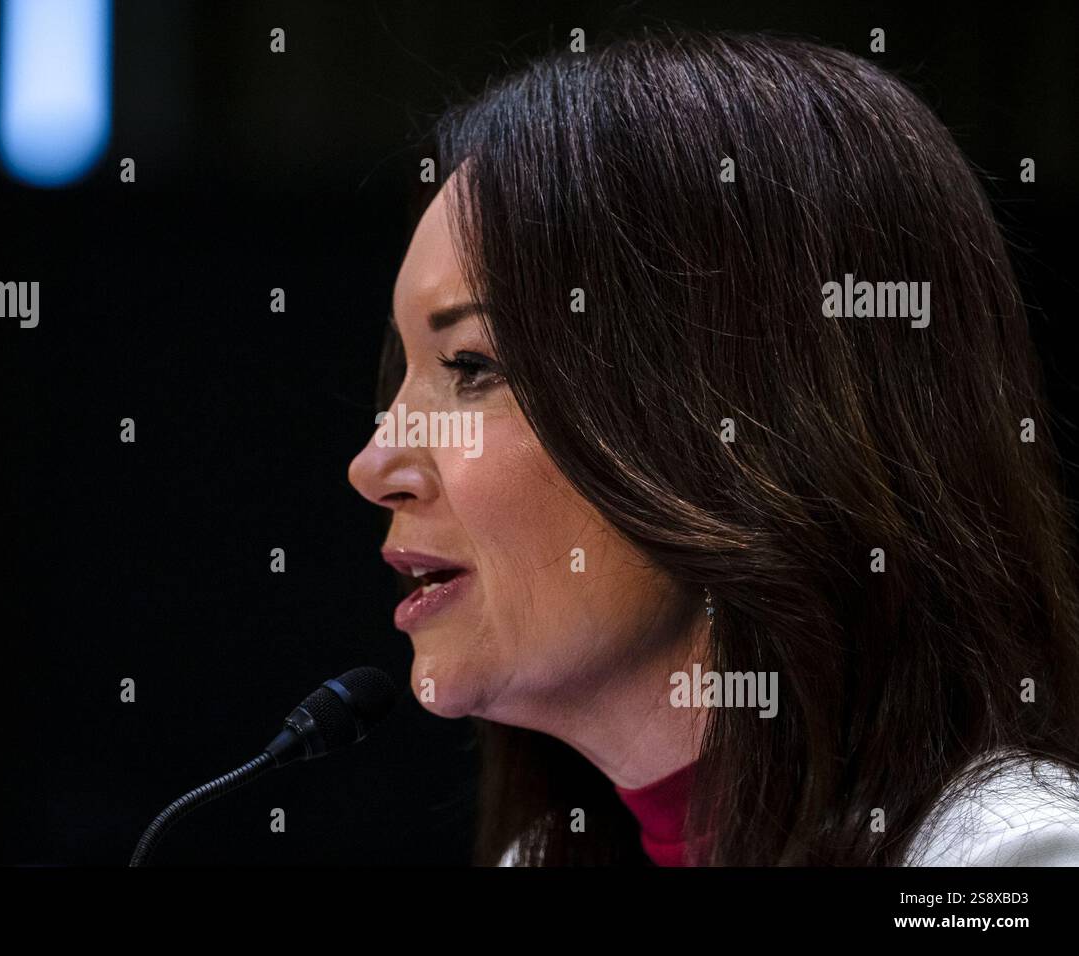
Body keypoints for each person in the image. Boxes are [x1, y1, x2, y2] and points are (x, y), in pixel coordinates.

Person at [347, 31, 1079, 866]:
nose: (373, 468)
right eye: (399, 383)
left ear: (735, 406)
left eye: (472, 367)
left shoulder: (1011, 861)